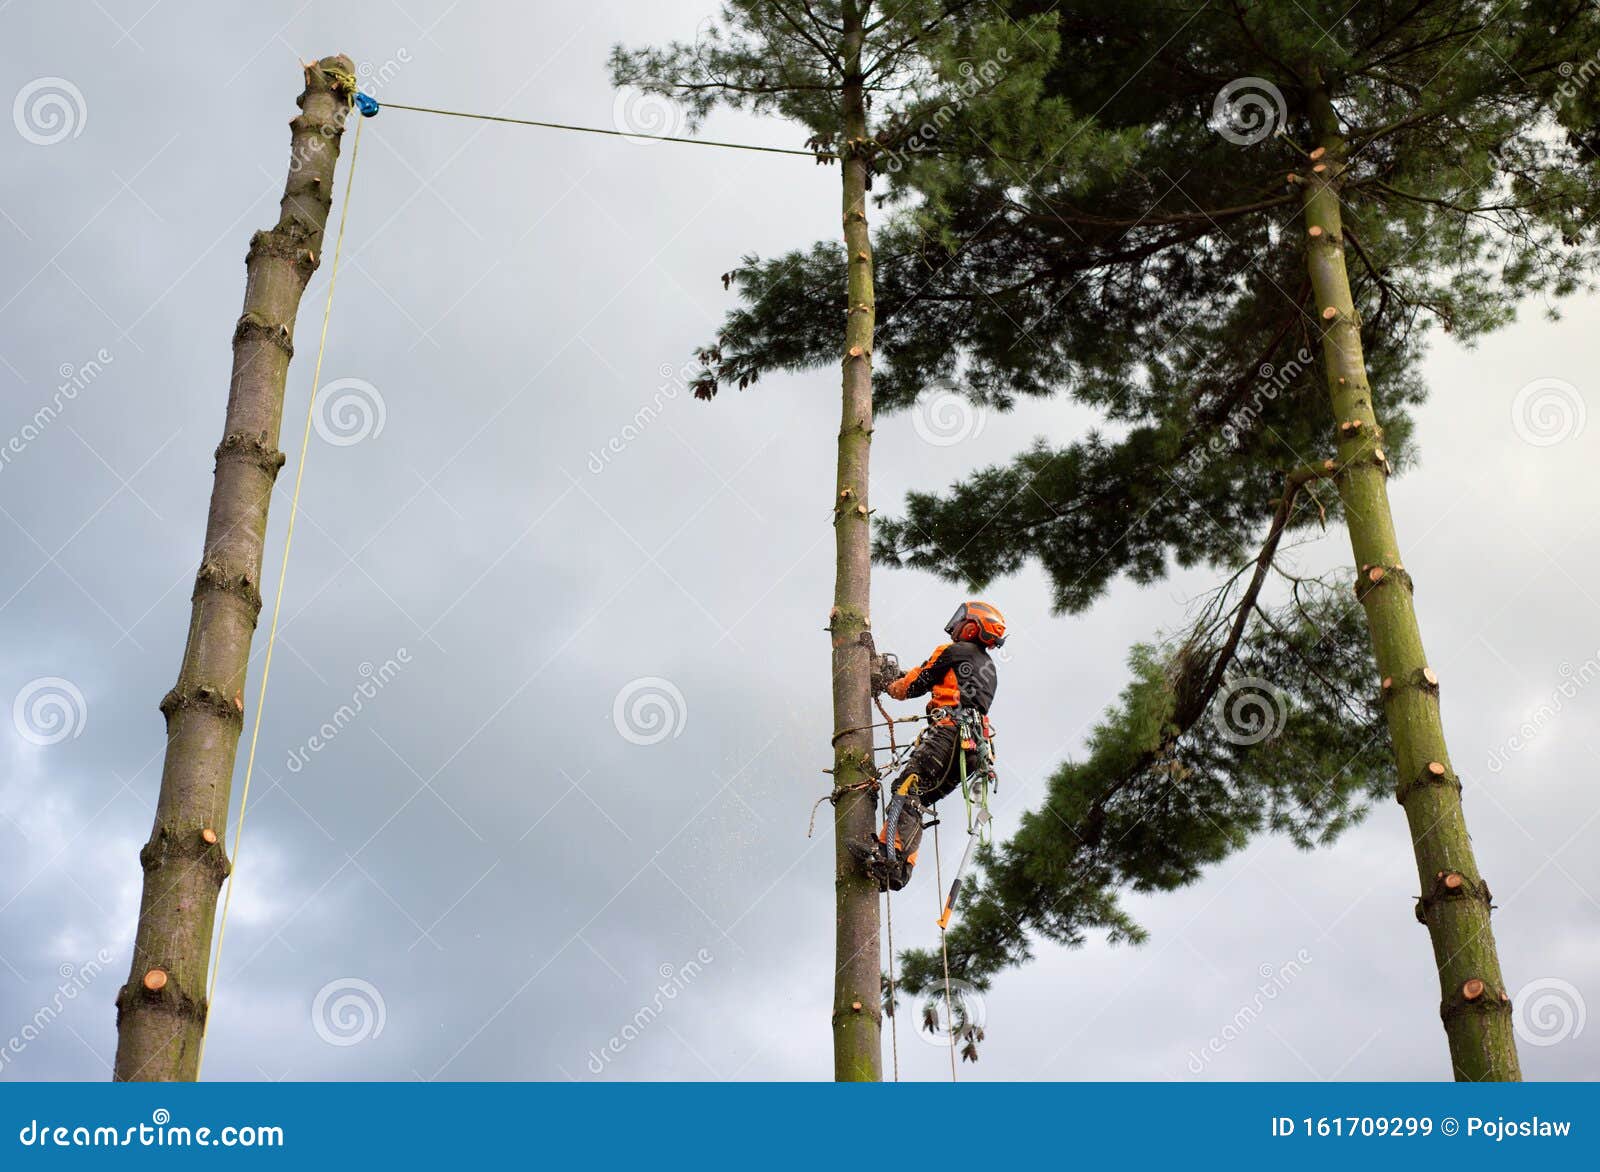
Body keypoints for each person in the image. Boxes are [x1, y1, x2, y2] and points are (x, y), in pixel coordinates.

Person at [854, 601, 1005, 892]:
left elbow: (913, 684)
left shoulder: (954, 651)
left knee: (906, 787)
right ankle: (899, 870)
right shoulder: (988, 667)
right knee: (917, 800)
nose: (955, 625)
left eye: (961, 620)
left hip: (949, 736)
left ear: (973, 625)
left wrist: (884, 681)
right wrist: (899, 676)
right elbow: (938, 683)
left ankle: (888, 856)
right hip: (973, 752)